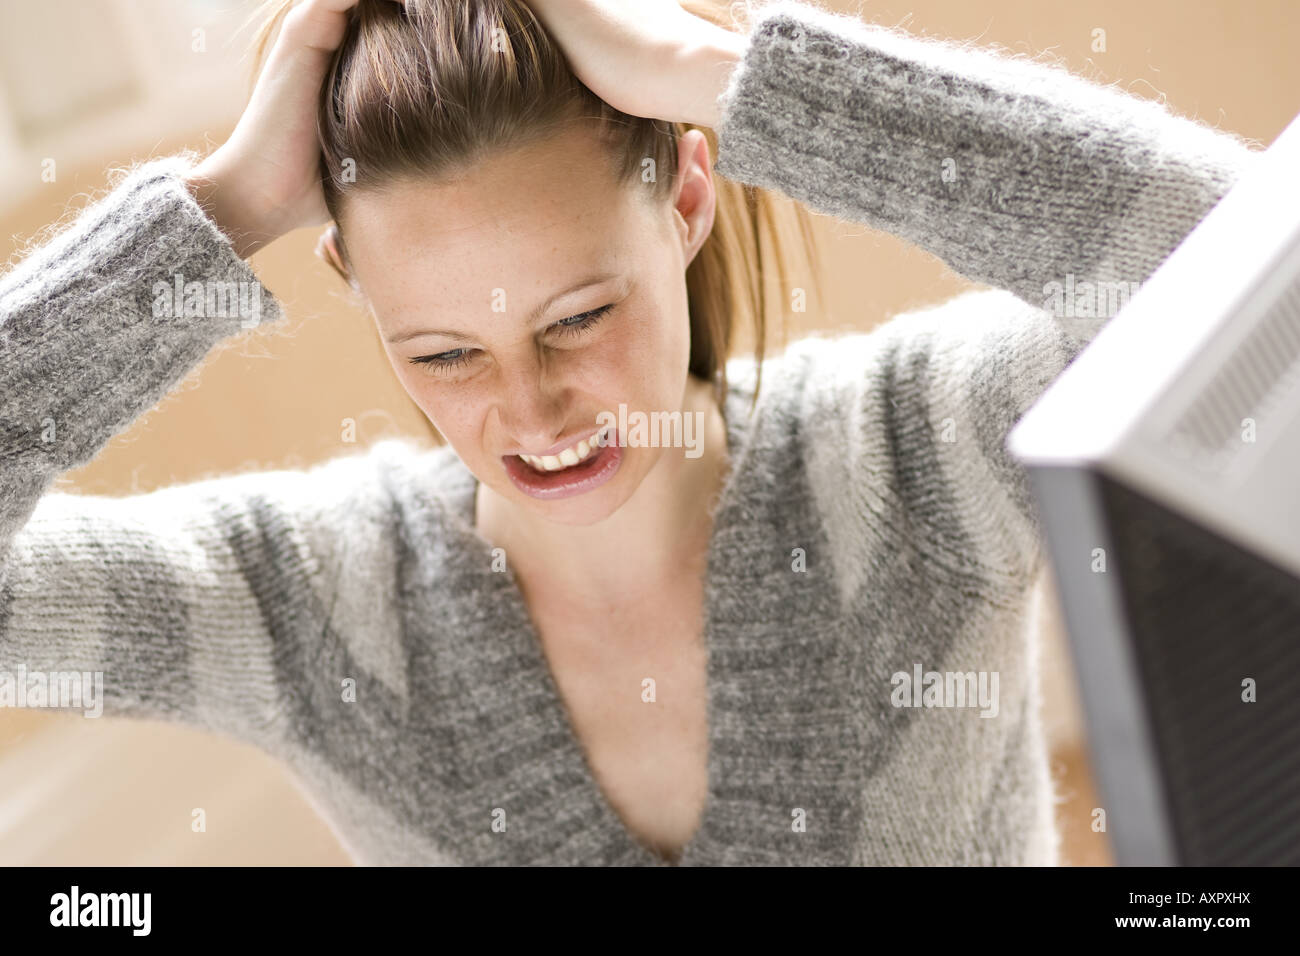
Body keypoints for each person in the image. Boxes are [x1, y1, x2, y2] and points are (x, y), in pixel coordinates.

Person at [0, 0, 1260, 865]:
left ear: (690, 199)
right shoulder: (300, 611)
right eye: (441, 351)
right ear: (355, 290)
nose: (533, 412)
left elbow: (1244, 270)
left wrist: (719, 71)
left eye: (580, 315)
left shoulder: (912, 452)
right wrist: (213, 212)